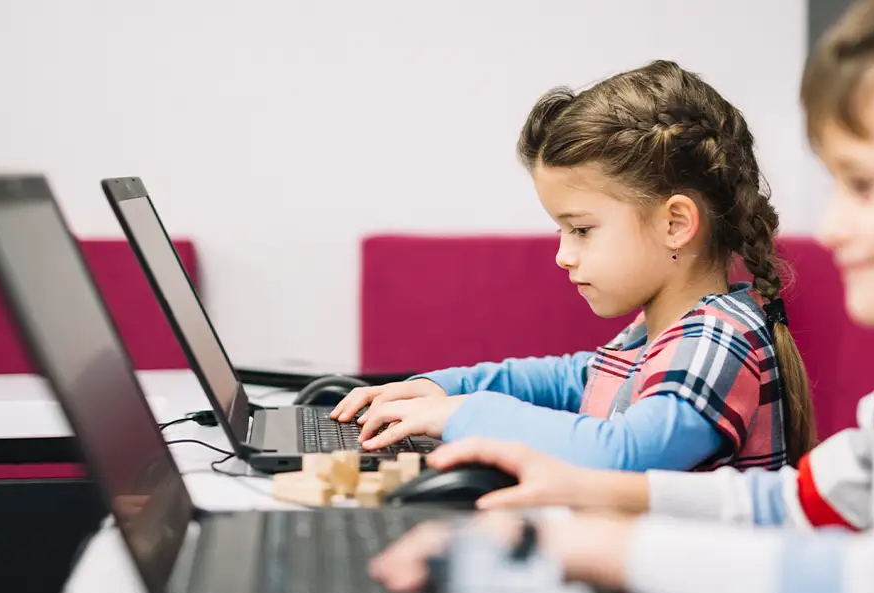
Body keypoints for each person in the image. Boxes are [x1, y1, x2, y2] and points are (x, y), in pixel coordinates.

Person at [370, 1, 874, 593]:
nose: (828, 229)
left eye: (864, 185)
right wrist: (452, 396)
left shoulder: (721, 335)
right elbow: (794, 504)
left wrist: (591, 538)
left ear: (676, 223)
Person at [332, 60, 817, 472]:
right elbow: (569, 379)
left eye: (581, 229)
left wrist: (465, 413)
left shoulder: (718, 341)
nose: (563, 255)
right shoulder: (659, 334)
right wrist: (436, 387)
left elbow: (625, 453)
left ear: (675, 223)